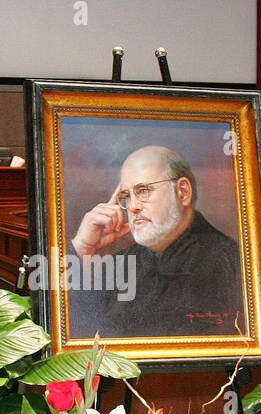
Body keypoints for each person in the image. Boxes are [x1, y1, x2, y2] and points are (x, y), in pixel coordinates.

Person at [69, 144, 242, 337]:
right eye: (126, 196)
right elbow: (77, 330)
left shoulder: (222, 260)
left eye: (143, 191)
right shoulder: (127, 261)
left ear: (182, 192)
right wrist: (82, 249)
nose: (133, 207)